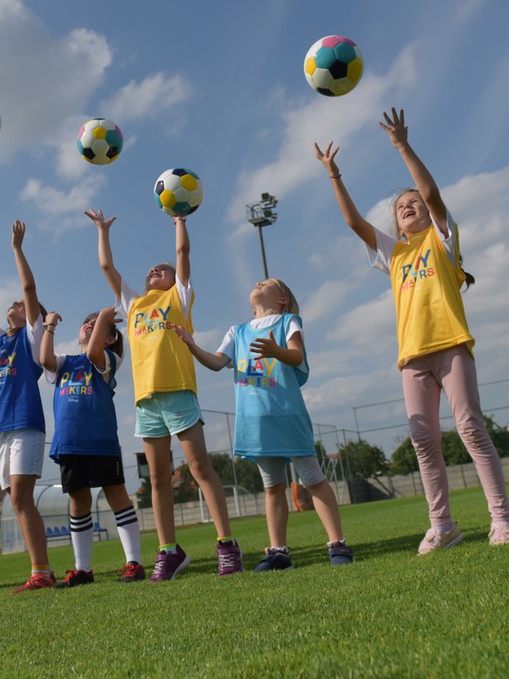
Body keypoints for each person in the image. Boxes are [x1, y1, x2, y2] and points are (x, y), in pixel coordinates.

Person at [315, 107, 509, 553]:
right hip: (411, 356)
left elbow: (432, 194)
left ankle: (502, 519)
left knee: (470, 428)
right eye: (399, 208)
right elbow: (354, 224)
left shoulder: (441, 240)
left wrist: (402, 147)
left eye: (413, 205)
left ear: (427, 215)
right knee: (424, 439)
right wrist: (334, 176)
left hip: (450, 346)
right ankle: (443, 525)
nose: (407, 208)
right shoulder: (394, 254)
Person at [84, 208, 242, 580]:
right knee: (156, 480)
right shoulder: (135, 304)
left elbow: (183, 256)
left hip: (179, 394)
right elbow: (107, 269)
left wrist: (180, 222)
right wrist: (103, 232)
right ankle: (169, 552)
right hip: (147, 402)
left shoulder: (179, 297)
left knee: (200, 468)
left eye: (162, 268)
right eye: (151, 269)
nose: (156, 270)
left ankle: (227, 546)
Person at [168, 278, 353, 571]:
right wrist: (192, 345)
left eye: (267, 282)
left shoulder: (288, 321)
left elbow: (296, 355)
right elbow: (217, 362)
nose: (258, 283)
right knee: (272, 487)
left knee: (313, 479)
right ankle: (278, 553)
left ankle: (337, 544)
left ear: (282, 299)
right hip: (254, 422)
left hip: (287, 415)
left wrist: (276, 351)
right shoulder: (237, 331)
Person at [0, 221, 55, 593]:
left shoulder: (33, 339)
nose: (16, 303)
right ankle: (40, 571)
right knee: (13, 500)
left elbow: (30, 288)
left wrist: (17, 248)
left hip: (25, 424)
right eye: (15, 303)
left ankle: (42, 572)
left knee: (20, 496)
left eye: (22, 305)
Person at [38, 306, 145, 586]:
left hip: (100, 441)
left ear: (110, 338)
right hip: (70, 443)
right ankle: (82, 569)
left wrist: (105, 319)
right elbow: (45, 359)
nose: (89, 324)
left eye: (97, 324)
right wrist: (48, 326)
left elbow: (93, 352)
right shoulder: (66, 362)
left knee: (116, 495)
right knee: (78, 500)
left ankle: (134, 562)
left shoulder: (108, 357)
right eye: (86, 322)